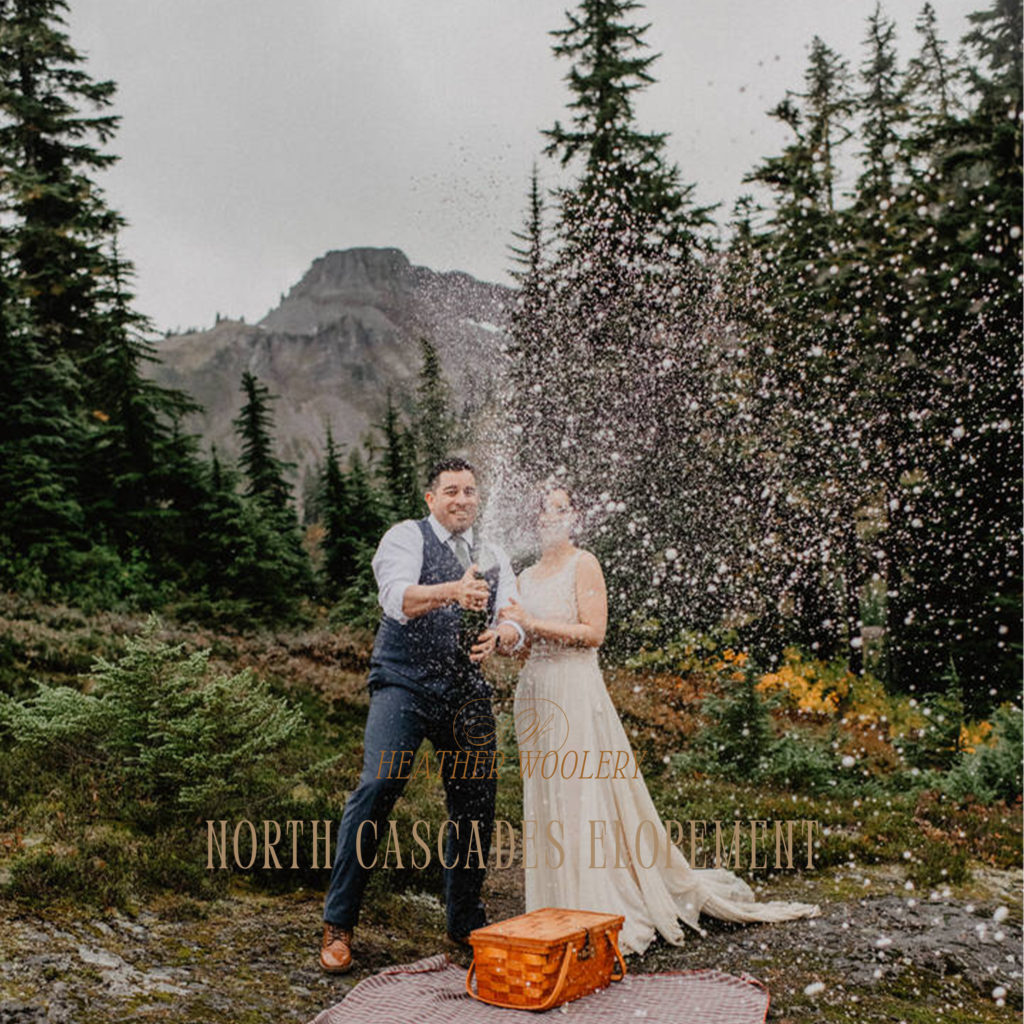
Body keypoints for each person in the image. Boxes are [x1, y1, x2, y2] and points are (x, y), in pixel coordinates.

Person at [499, 486, 818, 955]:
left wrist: (534, 622)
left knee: (580, 796)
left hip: (573, 689)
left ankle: (593, 908)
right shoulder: (524, 575)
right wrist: (506, 635)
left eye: (561, 509)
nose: (551, 517)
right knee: (548, 798)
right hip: (536, 694)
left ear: (574, 517)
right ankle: (554, 907)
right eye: (544, 511)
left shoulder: (583, 563)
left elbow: (594, 633)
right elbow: (523, 646)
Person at [319, 457, 525, 973]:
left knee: (476, 802)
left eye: (470, 491)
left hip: (466, 690)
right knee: (378, 786)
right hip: (404, 683)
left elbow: (514, 618)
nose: (462, 500)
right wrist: (453, 590)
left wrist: (503, 636)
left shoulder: (494, 550)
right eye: (451, 491)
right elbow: (397, 599)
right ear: (431, 499)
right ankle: (339, 924)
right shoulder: (405, 537)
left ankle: (464, 925)